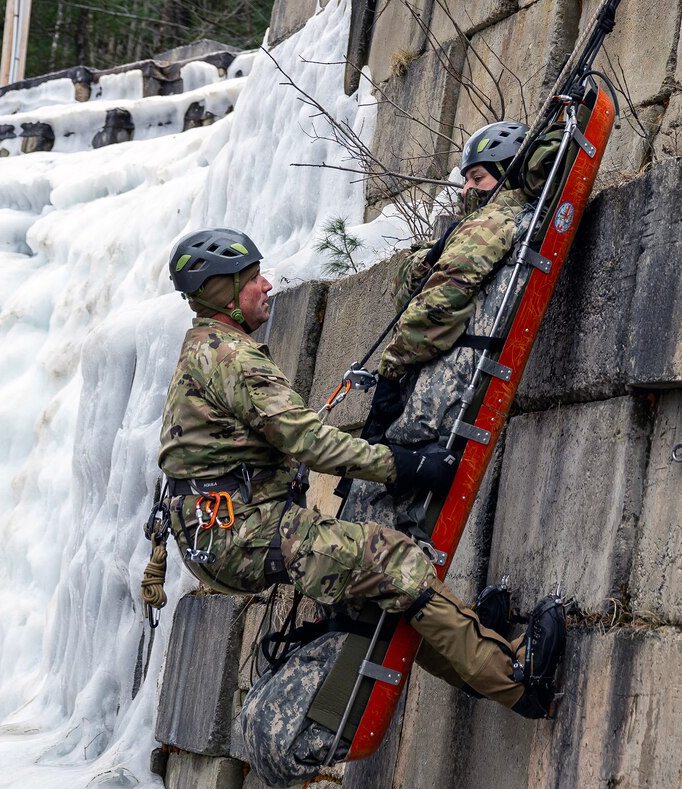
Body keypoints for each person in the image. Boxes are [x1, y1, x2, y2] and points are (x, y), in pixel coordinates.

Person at [150, 226, 554, 718]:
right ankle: (517, 681)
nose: (268, 287)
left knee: (378, 590)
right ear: (225, 293)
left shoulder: (202, 351)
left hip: (221, 534)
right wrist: (404, 466)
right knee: (390, 559)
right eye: (254, 278)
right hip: (242, 534)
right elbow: (309, 441)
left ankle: (476, 658)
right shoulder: (230, 356)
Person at [362, 119, 565, 444]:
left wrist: (389, 370)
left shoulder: (492, 222)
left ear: (508, 177)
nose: (466, 189)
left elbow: (438, 302)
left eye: (478, 177)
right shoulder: (496, 222)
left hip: (434, 405)